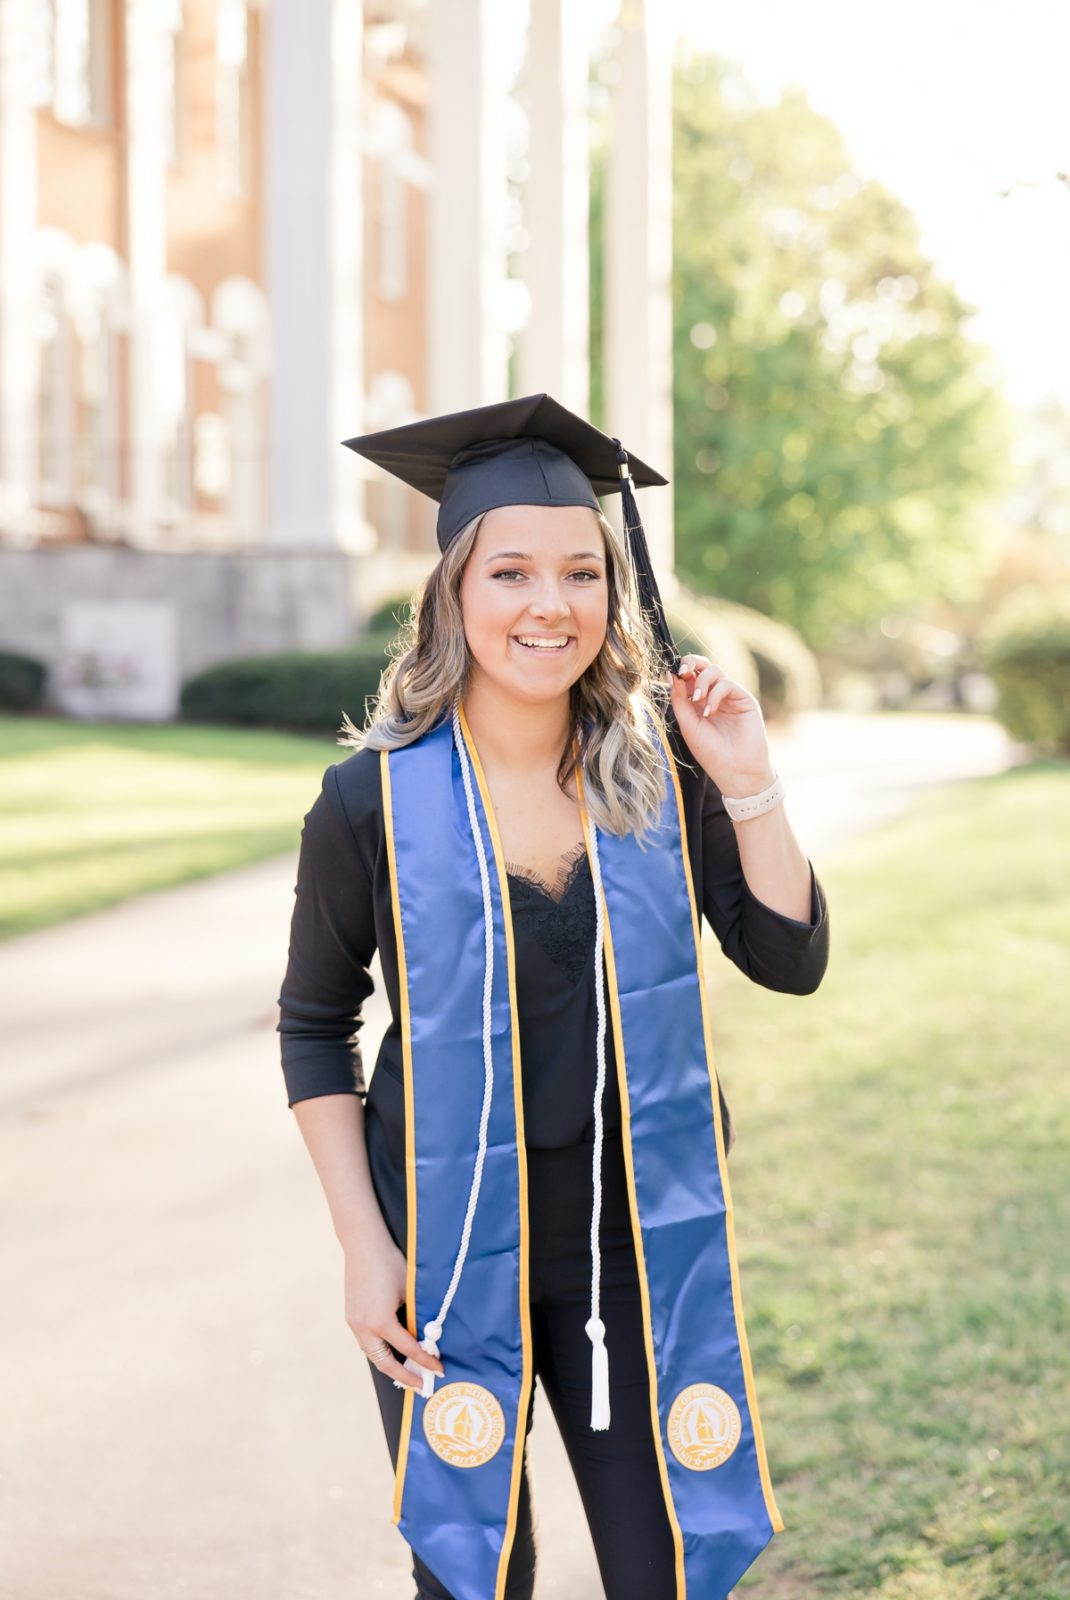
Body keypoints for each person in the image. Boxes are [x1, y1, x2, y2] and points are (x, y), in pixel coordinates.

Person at [276, 394, 830, 1600]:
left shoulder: (660, 773)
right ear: (453, 592)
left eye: (582, 572)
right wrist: (362, 1251)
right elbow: (316, 1029)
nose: (549, 605)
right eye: (511, 571)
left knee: (664, 1569)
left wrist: (746, 780)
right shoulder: (369, 802)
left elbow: (788, 956)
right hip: (441, 1246)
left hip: (635, 1242)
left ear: (613, 594)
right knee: (474, 1578)